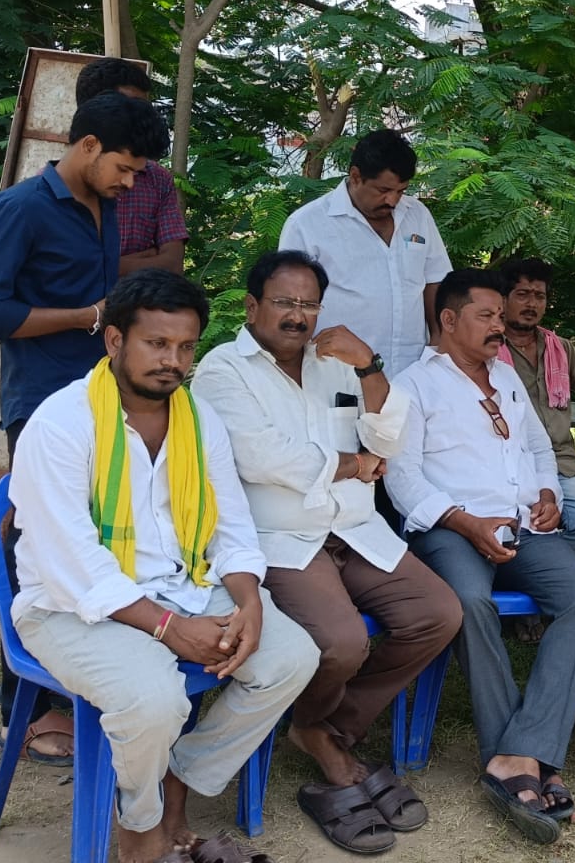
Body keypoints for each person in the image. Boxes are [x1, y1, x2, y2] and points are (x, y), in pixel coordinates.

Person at [7, 270, 320, 863]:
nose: (172, 360)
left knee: (290, 658)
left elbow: (230, 525)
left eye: (185, 347)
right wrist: (169, 630)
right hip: (69, 606)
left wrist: (250, 601)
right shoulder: (61, 423)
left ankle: (179, 781)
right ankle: (141, 827)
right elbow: (70, 561)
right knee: (155, 699)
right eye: (156, 343)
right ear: (115, 341)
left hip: (186, 586)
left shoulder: (199, 420)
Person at [192, 250, 462, 853]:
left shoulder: (335, 362)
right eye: (285, 303)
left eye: (309, 304)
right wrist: (350, 464)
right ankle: (319, 735)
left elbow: (389, 435)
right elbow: (260, 456)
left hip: (357, 528)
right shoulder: (221, 369)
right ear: (252, 306)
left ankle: (325, 728)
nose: (298, 316)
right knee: (341, 643)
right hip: (283, 538)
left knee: (438, 615)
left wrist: (369, 366)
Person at [0, 91, 171, 762]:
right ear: (86, 146)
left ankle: (98, 686)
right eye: (127, 169)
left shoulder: (102, 208)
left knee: (97, 543)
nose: (132, 184)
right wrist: (84, 316)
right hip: (42, 405)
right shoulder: (19, 209)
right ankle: (26, 703)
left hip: (104, 402)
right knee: (35, 549)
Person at [385, 269, 575, 846]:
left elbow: (537, 446)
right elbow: (402, 479)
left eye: (500, 317)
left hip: (522, 525)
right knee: (468, 602)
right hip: (450, 528)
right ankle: (518, 757)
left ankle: (519, 751)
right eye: (486, 316)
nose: (499, 327)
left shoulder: (506, 376)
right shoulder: (413, 386)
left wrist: (548, 494)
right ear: (449, 320)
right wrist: (463, 521)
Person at [278, 128, 452, 378]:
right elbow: (289, 304)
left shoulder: (418, 214)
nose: (392, 201)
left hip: (413, 372)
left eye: (400, 191)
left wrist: (438, 342)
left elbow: (436, 280)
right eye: (383, 191)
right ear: (356, 176)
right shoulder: (306, 224)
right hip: (338, 376)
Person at [497, 257, 575, 560]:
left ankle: (544, 578)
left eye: (539, 296)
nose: (532, 303)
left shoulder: (559, 348)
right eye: (522, 294)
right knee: (519, 527)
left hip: (561, 462)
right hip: (508, 462)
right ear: (502, 299)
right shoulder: (487, 347)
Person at [75, 57, 188, 275]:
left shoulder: (158, 178)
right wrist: (142, 260)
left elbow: (173, 266)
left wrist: (103, 266)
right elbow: (66, 272)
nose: (143, 117)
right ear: (97, 109)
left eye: (145, 107)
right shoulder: (53, 191)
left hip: (138, 306)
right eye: (131, 107)